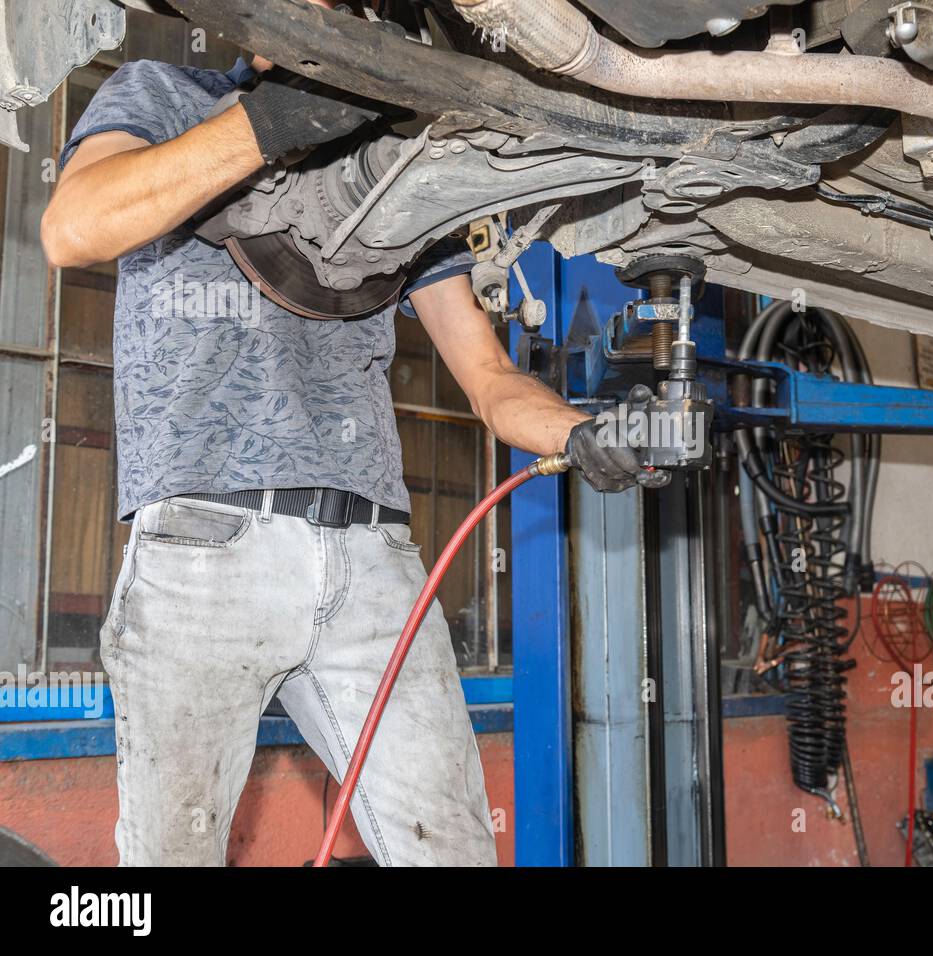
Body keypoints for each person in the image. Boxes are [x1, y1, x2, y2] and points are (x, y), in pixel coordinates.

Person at [39, 12, 640, 865]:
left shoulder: (390, 173)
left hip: (372, 559)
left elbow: (491, 381)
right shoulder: (166, 96)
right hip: (202, 552)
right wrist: (271, 122)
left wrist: (593, 435)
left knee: (454, 850)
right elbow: (74, 226)